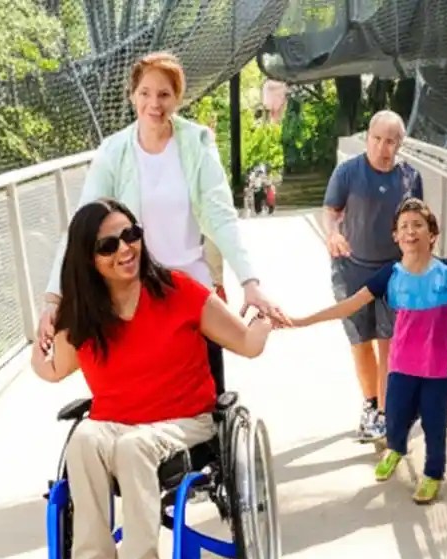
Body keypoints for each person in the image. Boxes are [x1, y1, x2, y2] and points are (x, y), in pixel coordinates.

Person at [32, 198, 273, 559]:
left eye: (131, 234)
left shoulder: (179, 291)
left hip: (183, 421)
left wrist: (262, 320)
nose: (125, 248)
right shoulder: (83, 313)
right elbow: (52, 370)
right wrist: (42, 332)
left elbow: (245, 343)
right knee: (83, 439)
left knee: (133, 446)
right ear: (89, 258)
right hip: (114, 422)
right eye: (109, 244)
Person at [38, 51, 285, 397]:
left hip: (190, 288)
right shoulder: (114, 152)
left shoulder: (196, 144)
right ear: (132, 96)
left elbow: (220, 216)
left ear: (178, 98)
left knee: (206, 395)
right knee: (139, 395)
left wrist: (250, 282)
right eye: (145, 93)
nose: (154, 103)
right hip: (135, 293)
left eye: (164, 94)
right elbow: (81, 227)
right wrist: (54, 297)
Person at [284, 198, 447, 505]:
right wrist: (300, 321)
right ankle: (397, 448)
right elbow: (350, 304)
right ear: (396, 237)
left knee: (434, 423)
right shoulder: (390, 276)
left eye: (418, 225)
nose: (410, 231)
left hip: (437, 367)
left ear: (432, 234)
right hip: (402, 365)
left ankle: (433, 474)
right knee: (394, 417)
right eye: (404, 226)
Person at [322, 110, 424, 443]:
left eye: (390, 141)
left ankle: (385, 413)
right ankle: (371, 403)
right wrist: (333, 234)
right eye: (377, 139)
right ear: (367, 137)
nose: (382, 147)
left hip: (394, 273)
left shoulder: (410, 178)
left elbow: (417, 223)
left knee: (390, 344)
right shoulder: (348, 171)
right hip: (352, 270)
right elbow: (331, 211)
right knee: (361, 343)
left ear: (399, 145)